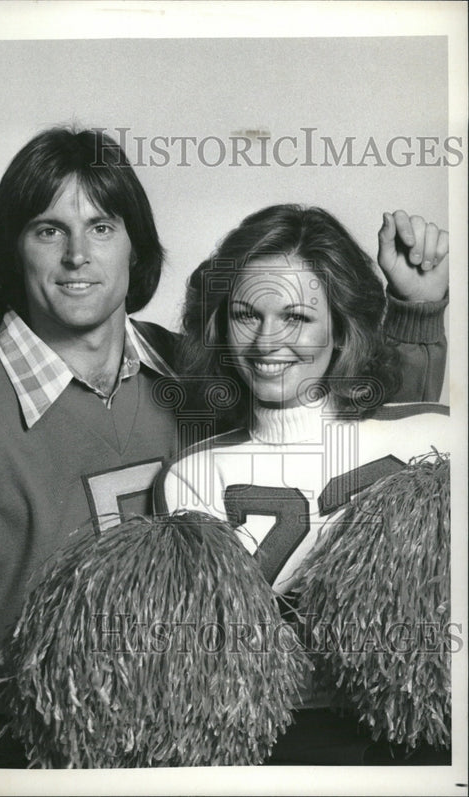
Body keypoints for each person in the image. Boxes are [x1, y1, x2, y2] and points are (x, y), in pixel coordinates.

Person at [0, 126, 448, 769]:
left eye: (101, 227)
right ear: (12, 251)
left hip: (219, 750)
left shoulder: (201, 371)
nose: (78, 255)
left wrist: (415, 311)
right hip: (55, 761)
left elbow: (360, 435)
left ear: (135, 247)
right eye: (49, 230)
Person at [153, 203, 451, 765]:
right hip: (278, 754)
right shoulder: (190, 477)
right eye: (246, 314)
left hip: (428, 747)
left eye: (296, 316)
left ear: (341, 326)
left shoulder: (435, 433)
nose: (268, 341)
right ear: (219, 323)